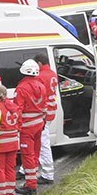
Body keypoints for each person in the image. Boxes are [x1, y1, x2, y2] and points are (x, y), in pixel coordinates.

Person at [13, 58, 48, 195]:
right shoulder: (41, 86)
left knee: (27, 156)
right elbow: (45, 107)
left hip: (27, 128)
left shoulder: (22, 88)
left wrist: (16, 126)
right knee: (35, 155)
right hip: (39, 125)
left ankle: (31, 185)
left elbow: (18, 109)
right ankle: (32, 180)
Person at [0, 85, 22, 195]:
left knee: (0, 170)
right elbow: (20, 124)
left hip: (1, 142)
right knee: (11, 169)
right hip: (14, 141)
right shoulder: (14, 107)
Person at [35, 53, 60, 186]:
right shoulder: (52, 74)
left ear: (39, 63)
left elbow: (38, 96)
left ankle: (48, 174)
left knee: (43, 143)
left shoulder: (40, 76)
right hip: (51, 110)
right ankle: (25, 169)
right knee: (39, 141)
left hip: (43, 113)